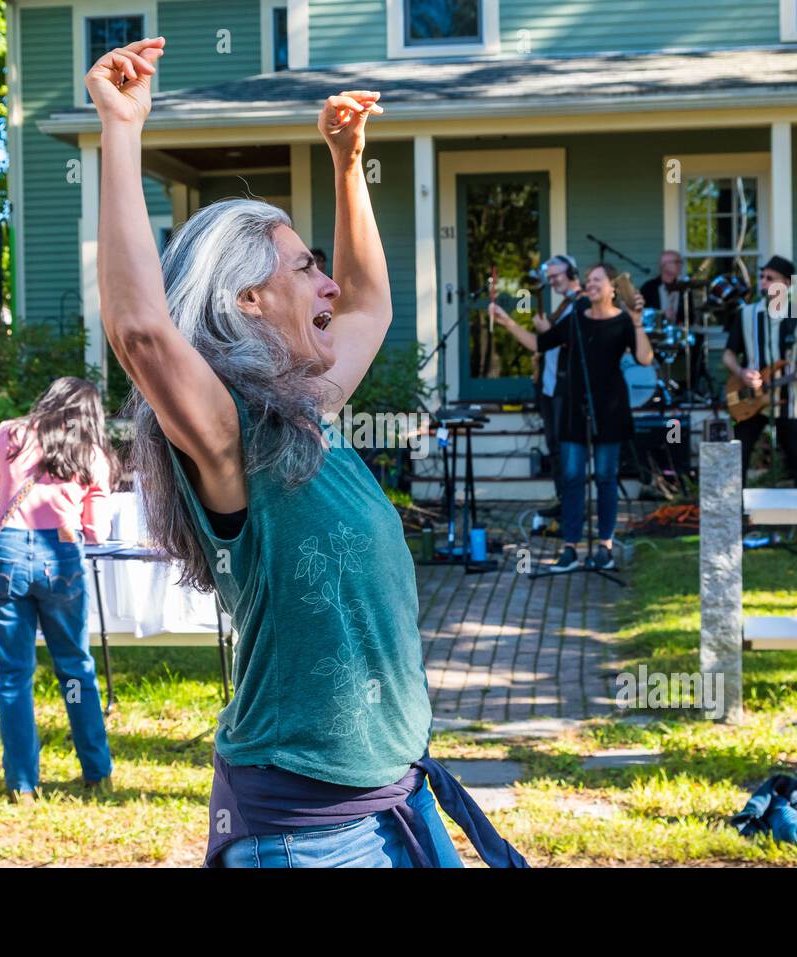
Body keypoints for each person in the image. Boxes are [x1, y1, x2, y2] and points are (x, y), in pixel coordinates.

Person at [87, 36, 526, 868]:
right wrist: (121, 128)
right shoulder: (230, 439)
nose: (327, 286)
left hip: (397, 801)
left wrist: (347, 163)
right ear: (247, 300)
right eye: (304, 270)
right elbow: (143, 331)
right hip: (308, 834)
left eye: (320, 268)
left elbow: (371, 305)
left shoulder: (307, 412)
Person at [0, 376, 117, 802]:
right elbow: (95, 530)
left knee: (14, 675)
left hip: (6, 554)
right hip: (61, 557)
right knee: (76, 667)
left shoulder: (9, 433)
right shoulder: (92, 453)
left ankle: (22, 784)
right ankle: (98, 773)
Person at [493, 263, 653, 572]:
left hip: (609, 409)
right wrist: (507, 322)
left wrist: (637, 322)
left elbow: (645, 358)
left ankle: (604, 547)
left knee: (606, 479)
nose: (590, 285)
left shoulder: (623, 322)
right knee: (572, 478)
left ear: (612, 288)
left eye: (597, 280)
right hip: (574, 410)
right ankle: (569, 548)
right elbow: (539, 344)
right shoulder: (576, 319)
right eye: (589, 280)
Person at [722, 255, 797, 488]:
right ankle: (736, 516)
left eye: (770, 278)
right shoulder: (746, 314)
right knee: (737, 457)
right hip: (751, 398)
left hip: (786, 396)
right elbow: (728, 354)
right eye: (762, 277)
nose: (763, 283)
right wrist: (742, 372)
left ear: (786, 284)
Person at [493, 255, 581, 514]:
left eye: (557, 276)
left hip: (566, 389)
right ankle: (562, 500)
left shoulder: (579, 305)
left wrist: (509, 322)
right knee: (554, 447)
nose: (552, 282)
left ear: (572, 273)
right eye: (549, 277)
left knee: (563, 449)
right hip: (549, 385)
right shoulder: (564, 307)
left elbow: (542, 343)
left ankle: (570, 505)